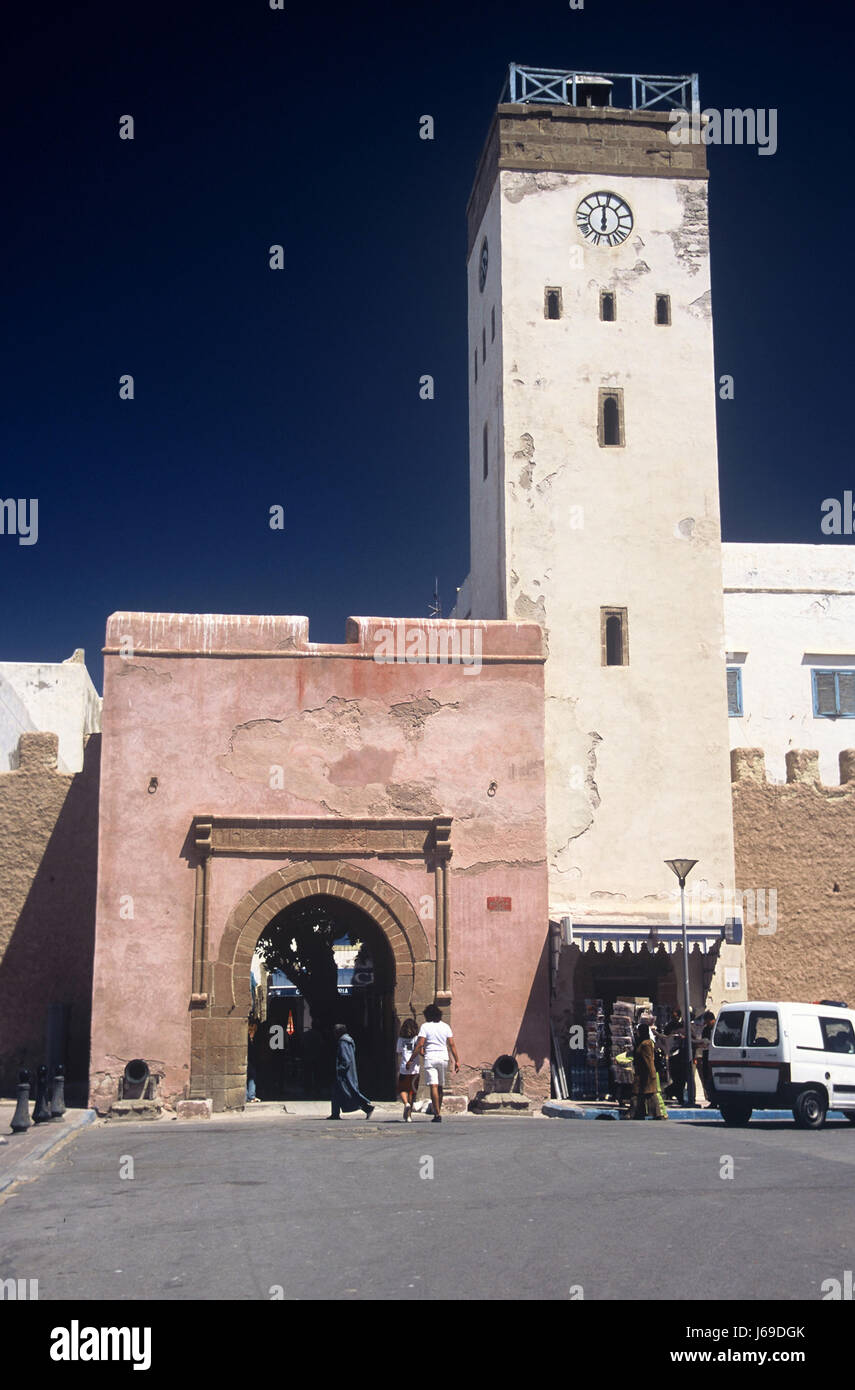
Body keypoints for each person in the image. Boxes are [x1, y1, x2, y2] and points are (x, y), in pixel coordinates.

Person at [413, 1004, 460, 1123]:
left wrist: (412, 1057)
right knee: (440, 1086)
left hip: (431, 1058)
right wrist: (457, 1060)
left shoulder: (425, 1026)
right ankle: (438, 1109)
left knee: (433, 1085)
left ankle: (437, 1113)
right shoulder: (446, 1027)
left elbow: (420, 1044)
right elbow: (452, 1044)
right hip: (443, 1058)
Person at [329, 1023, 375, 1120]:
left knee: (350, 1092)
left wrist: (340, 1069)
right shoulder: (348, 1040)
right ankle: (335, 1113)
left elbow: (346, 1059)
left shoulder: (343, 1042)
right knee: (337, 1092)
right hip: (346, 1072)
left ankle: (367, 1108)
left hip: (344, 1074)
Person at [631, 1022, 663, 1119]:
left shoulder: (646, 1044)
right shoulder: (641, 1043)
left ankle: (656, 1114)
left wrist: (652, 1074)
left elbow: (649, 1060)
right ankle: (639, 1113)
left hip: (646, 1074)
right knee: (640, 1094)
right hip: (641, 1074)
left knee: (650, 1094)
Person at [396, 1018, 420, 1121]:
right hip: (415, 1069)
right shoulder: (416, 1038)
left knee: (402, 1089)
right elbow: (420, 1050)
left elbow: (399, 1051)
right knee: (411, 1092)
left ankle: (406, 1104)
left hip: (404, 1068)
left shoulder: (400, 1039)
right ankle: (409, 1116)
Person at [246, 1017, 261, 1104]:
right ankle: (251, 1096)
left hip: (249, 1057)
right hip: (250, 1058)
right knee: (252, 1076)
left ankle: (246, 1096)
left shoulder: (248, 1033)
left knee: (248, 1076)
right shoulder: (250, 1034)